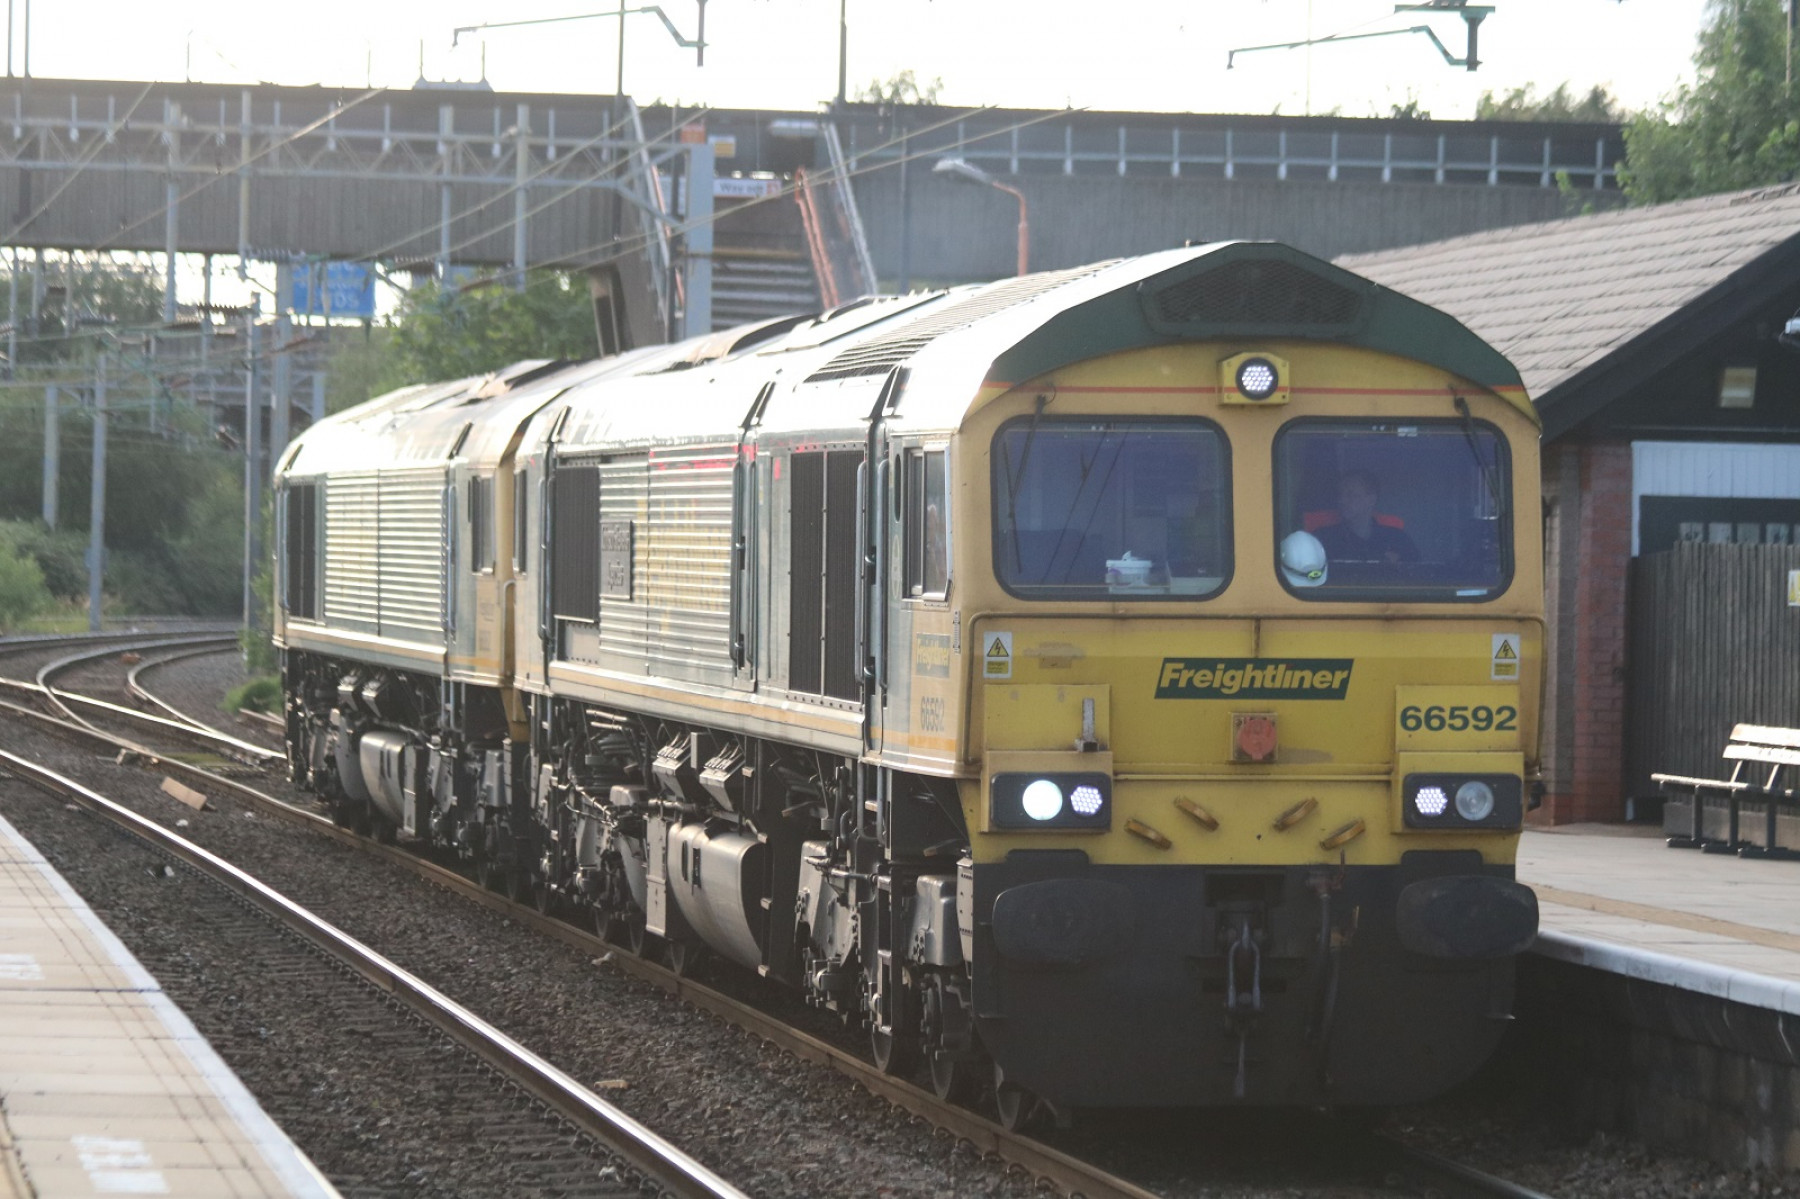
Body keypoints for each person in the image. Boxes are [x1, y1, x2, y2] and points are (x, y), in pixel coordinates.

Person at [1311, 470, 1418, 565]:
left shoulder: (1397, 540)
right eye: (1340, 495)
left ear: (1371, 500)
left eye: (1351, 495)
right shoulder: (1323, 539)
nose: (1342, 501)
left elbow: (1418, 579)